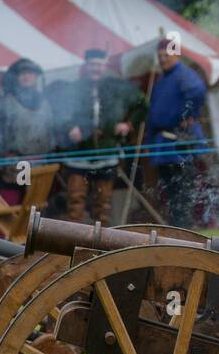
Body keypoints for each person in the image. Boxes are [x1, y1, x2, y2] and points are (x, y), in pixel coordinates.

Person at [47, 48, 145, 224]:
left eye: (99, 65)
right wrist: (69, 128)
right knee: (75, 202)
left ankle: (101, 246)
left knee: (103, 205)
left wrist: (128, 124)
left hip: (106, 154)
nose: (96, 69)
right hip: (78, 155)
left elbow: (142, 103)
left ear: (105, 66)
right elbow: (57, 111)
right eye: (93, 65)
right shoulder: (74, 88)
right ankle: (73, 242)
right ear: (86, 65)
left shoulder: (116, 87)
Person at [144, 39, 210, 227]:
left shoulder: (183, 74)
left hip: (179, 142)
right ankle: (176, 230)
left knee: (182, 193)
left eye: (167, 55)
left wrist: (188, 115)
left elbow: (197, 92)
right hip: (165, 143)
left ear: (176, 55)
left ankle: (183, 231)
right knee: (171, 193)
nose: (163, 60)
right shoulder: (162, 79)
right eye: (160, 56)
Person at [0, 57, 58, 208]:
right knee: (11, 209)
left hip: (39, 164)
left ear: (36, 77)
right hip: (14, 165)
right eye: (22, 73)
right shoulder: (5, 102)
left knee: (34, 211)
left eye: (30, 73)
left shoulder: (45, 103)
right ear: (16, 77)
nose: (26, 76)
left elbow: (51, 134)